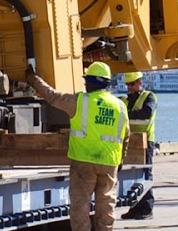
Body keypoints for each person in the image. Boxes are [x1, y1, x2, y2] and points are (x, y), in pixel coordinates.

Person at [27, 62, 129, 231]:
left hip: (83, 162)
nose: (85, 84)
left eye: (87, 80)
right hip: (110, 162)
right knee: (106, 206)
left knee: (80, 206)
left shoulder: (80, 101)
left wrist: (33, 79)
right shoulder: (120, 106)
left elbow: (52, 96)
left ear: (93, 81)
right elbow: (126, 136)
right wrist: (120, 160)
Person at [120, 71, 157, 220]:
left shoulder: (149, 97)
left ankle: (147, 209)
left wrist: (127, 114)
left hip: (145, 142)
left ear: (140, 82)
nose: (130, 87)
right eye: (128, 84)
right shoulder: (124, 100)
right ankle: (134, 208)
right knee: (132, 176)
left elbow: (146, 113)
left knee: (145, 175)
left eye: (132, 84)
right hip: (130, 142)